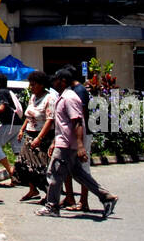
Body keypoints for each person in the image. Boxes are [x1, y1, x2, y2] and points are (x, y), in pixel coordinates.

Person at [38, 66, 118, 219]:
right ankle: (107, 197)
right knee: (79, 174)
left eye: (55, 80)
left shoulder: (70, 98)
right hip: (65, 142)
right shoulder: (65, 96)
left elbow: (77, 122)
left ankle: (52, 207)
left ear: (62, 81)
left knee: (54, 174)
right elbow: (64, 124)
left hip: (67, 145)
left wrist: (80, 146)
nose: (53, 83)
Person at [15, 70, 56, 202]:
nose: (31, 87)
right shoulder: (33, 97)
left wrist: (39, 138)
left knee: (40, 167)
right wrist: (22, 129)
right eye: (30, 85)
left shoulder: (49, 98)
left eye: (34, 85)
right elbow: (29, 115)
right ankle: (32, 189)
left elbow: (50, 120)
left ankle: (49, 194)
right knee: (22, 164)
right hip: (30, 133)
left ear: (42, 85)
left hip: (43, 136)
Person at [64, 68, 94, 212]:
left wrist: (79, 140)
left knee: (83, 167)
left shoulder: (79, 91)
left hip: (83, 134)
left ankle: (84, 201)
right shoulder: (75, 90)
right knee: (68, 166)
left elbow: (80, 117)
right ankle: (69, 197)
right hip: (75, 134)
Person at [0, 73, 22, 158]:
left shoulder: (1, 92)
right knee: (17, 150)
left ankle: (5, 167)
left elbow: (2, 108)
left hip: (9, 124)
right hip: (17, 123)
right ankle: (20, 168)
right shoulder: (7, 91)